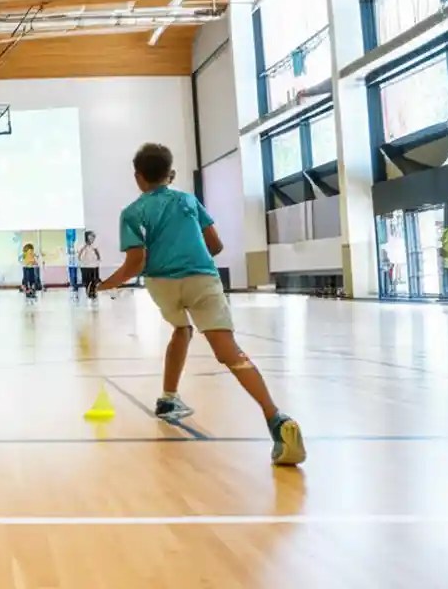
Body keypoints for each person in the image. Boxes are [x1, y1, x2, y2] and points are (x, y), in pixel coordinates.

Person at [98, 143, 305, 466]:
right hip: (202, 279)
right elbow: (216, 245)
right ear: (171, 174)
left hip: (163, 285)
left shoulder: (132, 212)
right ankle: (275, 418)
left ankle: (168, 398)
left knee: (181, 328)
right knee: (229, 352)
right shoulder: (188, 201)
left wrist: (105, 284)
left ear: (138, 178)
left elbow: (135, 263)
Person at [78, 230, 102, 301]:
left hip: (93, 266)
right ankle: (89, 293)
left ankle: (93, 293)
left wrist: (98, 261)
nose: (93, 238)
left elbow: (98, 255)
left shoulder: (94, 246)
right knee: (87, 281)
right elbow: (79, 256)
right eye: (91, 237)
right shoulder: (82, 246)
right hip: (85, 266)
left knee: (94, 281)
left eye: (93, 237)